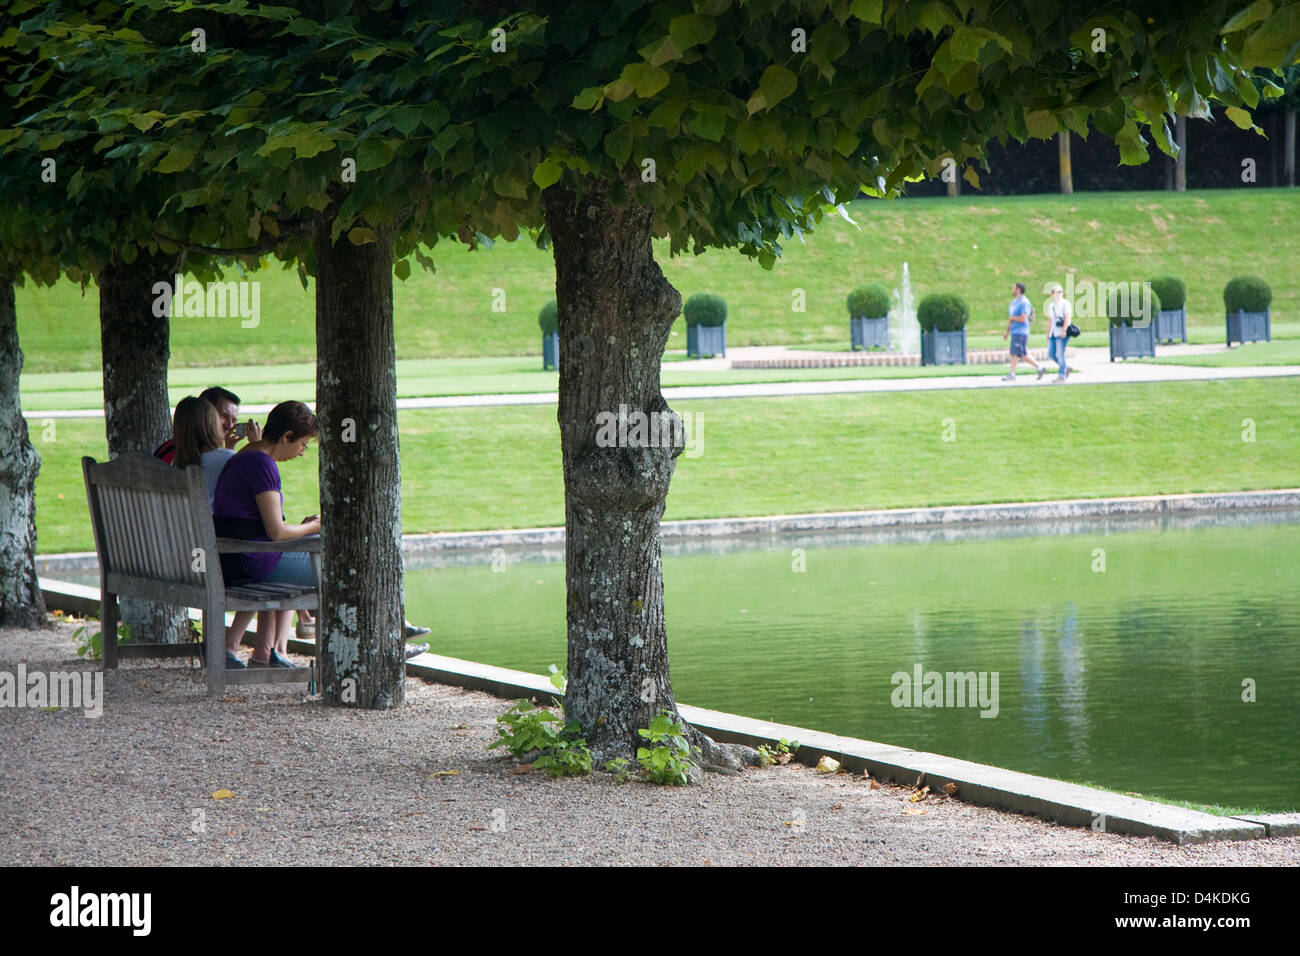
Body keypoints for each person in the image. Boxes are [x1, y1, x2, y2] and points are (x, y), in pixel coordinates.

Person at [212, 400, 321, 668]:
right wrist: (316, 526)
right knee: (340, 569)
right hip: (251, 563)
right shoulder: (263, 463)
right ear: (286, 436)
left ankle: (271, 651)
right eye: (303, 444)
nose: (302, 452)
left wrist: (306, 529)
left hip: (233, 559)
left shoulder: (244, 456)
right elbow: (277, 531)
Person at [169, 396, 270, 669]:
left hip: (177, 563)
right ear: (211, 425)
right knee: (265, 560)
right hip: (211, 564)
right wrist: (255, 446)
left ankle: (247, 649)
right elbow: (256, 472)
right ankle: (261, 650)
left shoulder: (173, 467)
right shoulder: (229, 459)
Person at [154, 386, 257, 464]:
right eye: (223, 416)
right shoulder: (187, 454)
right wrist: (257, 445)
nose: (230, 426)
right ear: (205, 414)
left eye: (234, 420)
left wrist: (228, 448)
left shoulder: (169, 448)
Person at [1002, 281, 1044, 382]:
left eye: (1014, 288)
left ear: (1018, 290)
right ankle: (1040, 368)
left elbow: (1023, 318)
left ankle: (1012, 374)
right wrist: (1007, 331)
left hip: (1021, 331)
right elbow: (1010, 318)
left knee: (1015, 353)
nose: (1012, 290)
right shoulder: (1014, 302)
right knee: (1023, 354)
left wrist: (1012, 318)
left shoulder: (1024, 302)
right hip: (1014, 331)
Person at [1045, 282, 1071, 383]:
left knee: (1060, 353)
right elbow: (1050, 320)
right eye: (1057, 292)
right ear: (1052, 294)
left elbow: (1067, 318)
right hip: (1053, 333)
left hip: (1062, 332)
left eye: (1061, 292)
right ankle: (1065, 367)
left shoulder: (1065, 303)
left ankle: (1061, 375)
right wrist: (1048, 333)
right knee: (1051, 354)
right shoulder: (1051, 305)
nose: (1059, 294)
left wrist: (1064, 330)